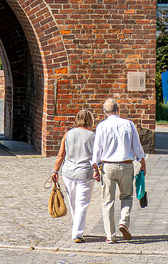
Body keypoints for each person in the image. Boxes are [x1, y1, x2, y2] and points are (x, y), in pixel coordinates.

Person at [91, 97, 147, 243]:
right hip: (126, 164)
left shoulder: (101, 126)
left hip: (108, 166)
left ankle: (110, 235)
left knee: (107, 201)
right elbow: (137, 147)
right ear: (118, 110)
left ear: (104, 112)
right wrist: (142, 162)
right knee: (127, 196)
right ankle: (124, 221)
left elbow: (97, 149)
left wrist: (95, 167)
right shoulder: (128, 124)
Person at [52, 109, 97, 243]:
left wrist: (55, 170)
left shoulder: (68, 134)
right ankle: (77, 233)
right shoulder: (92, 136)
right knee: (82, 203)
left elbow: (61, 154)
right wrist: (98, 170)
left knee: (73, 202)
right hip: (85, 172)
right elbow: (96, 157)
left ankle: (76, 228)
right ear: (90, 120)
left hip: (69, 172)